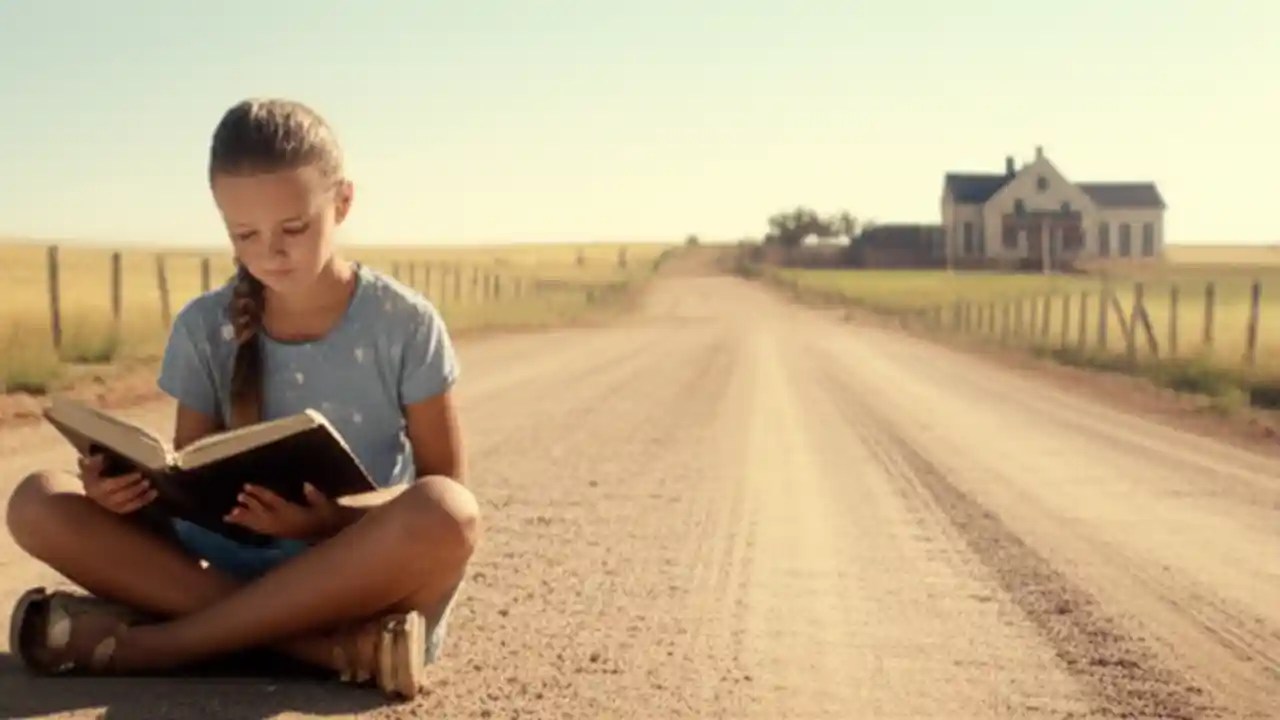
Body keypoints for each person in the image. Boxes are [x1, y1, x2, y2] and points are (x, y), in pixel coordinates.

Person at [4, 97, 480, 699]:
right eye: (244, 234)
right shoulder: (205, 327)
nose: (270, 253)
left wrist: (330, 521)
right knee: (36, 501)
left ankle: (166, 645)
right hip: (218, 568)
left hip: (351, 571)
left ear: (342, 203)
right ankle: (325, 651)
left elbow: (443, 483)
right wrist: (124, 497)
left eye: (293, 229)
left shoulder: (404, 323)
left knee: (448, 512)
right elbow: (191, 486)